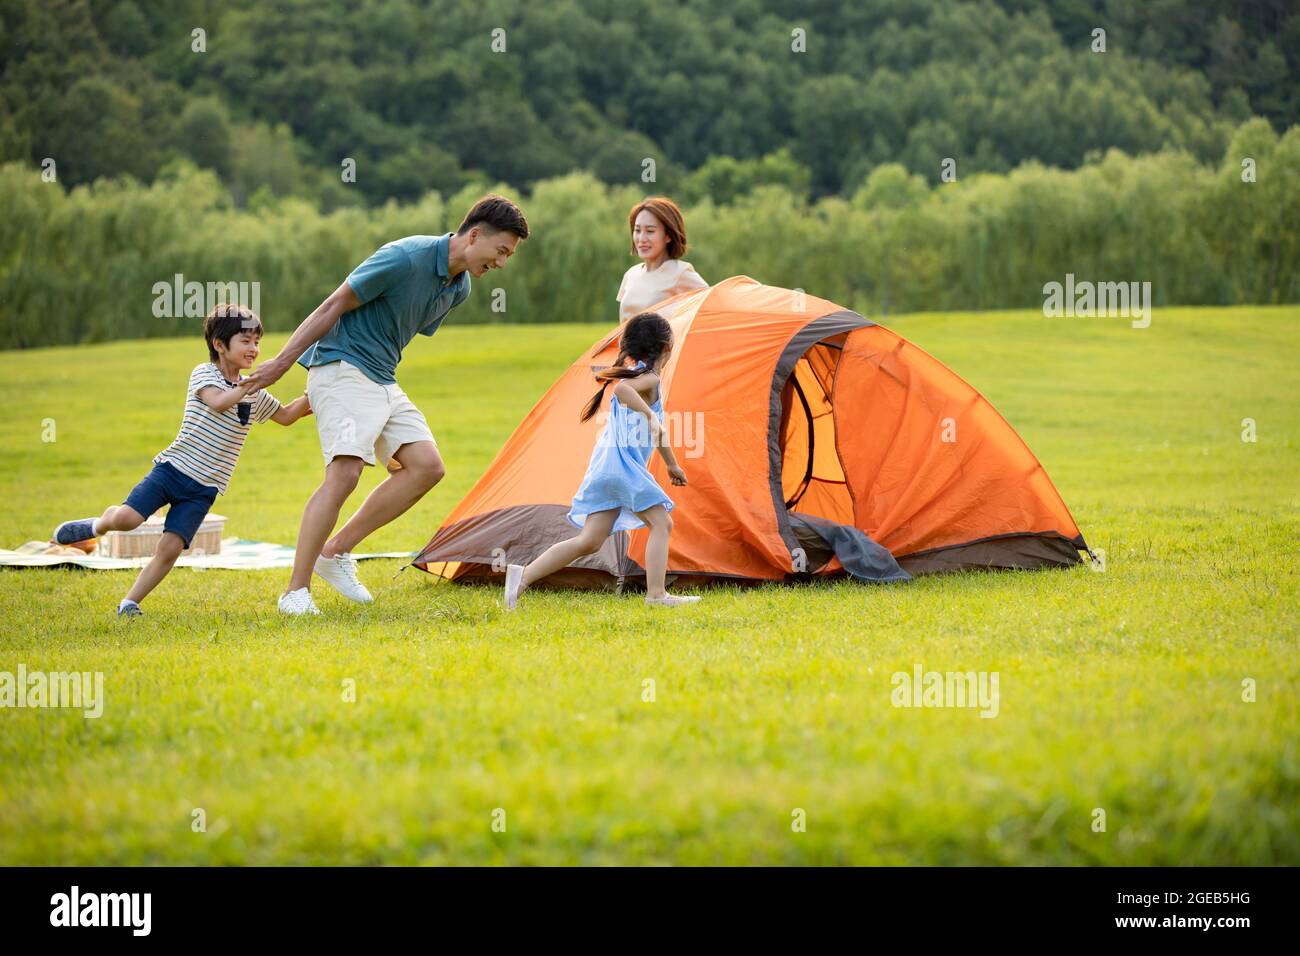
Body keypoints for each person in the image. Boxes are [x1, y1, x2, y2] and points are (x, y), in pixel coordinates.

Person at [246, 195, 530, 615]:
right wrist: (284, 362)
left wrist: (333, 400)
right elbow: (334, 304)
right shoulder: (405, 256)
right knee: (345, 473)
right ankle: (294, 592)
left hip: (380, 377)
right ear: (474, 235)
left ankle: (335, 551)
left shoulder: (460, 287)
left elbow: (394, 332)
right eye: (501, 251)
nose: (502, 263)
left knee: (427, 466)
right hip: (342, 364)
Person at [52, 304, 312, 616]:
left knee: (171, 548)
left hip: (205, 489)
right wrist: (253, 384)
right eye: (246, 341)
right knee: (127, 520)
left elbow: (285, 416)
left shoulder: (253, 392)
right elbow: (218, 402)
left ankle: (129, 603)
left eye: (257, 341)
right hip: (173, 470)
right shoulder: (205, 374)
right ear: (219, 344)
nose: (254, 349)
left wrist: (316, 396)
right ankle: (100, 524)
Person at [504, 312, 700, 609]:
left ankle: (522, 577)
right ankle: (657, 595)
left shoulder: (637, 376)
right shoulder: (647, 378)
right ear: (667, 347)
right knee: (662, 523)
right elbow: (623, 393)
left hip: (605, 470)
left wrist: (672, 464)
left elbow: (657, 434)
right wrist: (648, 414)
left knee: (589, 541)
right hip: (622, 471)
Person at [616, 197, 708, 322]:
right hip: (627, 342)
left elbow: (711, 305)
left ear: (668, 235)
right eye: (637, 230)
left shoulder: (680, 272)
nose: (641, 238)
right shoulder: (631, 274)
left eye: (650, 231)